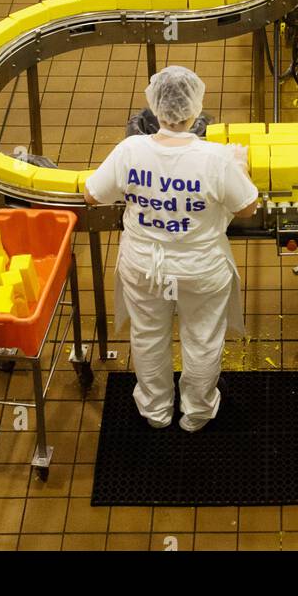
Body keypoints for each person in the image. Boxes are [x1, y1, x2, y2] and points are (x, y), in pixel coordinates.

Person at [84, 66, 258, 431]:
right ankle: (196, 413)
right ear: (195, 110)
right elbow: (247, 208)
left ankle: (156, 411)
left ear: (155, 108)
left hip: (144, 266)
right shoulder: (215, 158)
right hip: (201, 268)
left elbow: (92, 195)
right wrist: (239, 166)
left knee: (147, 337)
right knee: (203, 338)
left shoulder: (130, 150)